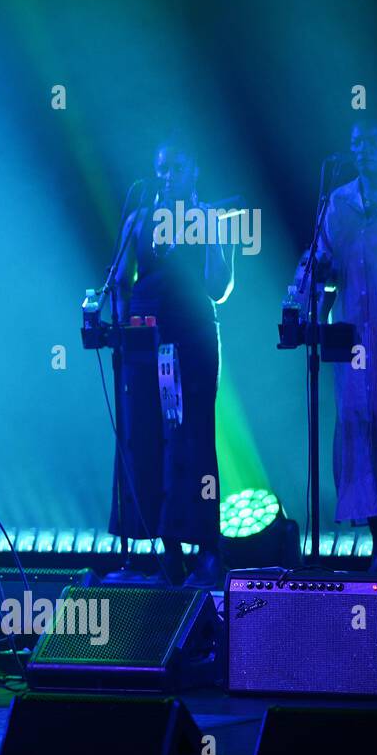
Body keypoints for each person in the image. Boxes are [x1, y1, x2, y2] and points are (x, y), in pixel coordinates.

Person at [106, 139, 233, 587]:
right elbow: (121, 279)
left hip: (194, 333)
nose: (166, 176)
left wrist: (214, 238)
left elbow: (219, 287)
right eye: (161, 168)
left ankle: (207, 547)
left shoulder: (209, 219)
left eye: (175, 167)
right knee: (151, 434)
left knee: (194, 435)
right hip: (148, 337)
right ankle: (168, 549)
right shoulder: (141, 217)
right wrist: (122, 327)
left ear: (194, 170)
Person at [315, 119, 377, 571]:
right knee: (361, 425)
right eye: (356, 144)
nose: (363, 151)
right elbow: (325, 263)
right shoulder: (339, 202)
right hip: (355, 332)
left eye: (372, 142)